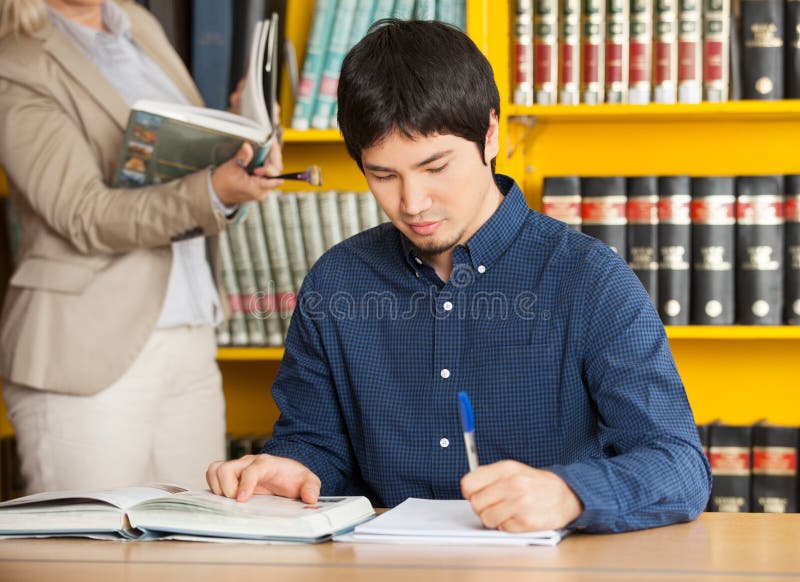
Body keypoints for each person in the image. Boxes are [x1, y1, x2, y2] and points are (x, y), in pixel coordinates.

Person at [206, 19, 711, 534]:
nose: (412, 203)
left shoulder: (589, 279)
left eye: (436, 167)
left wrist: (569, 494)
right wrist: (291, 468)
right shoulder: (337, 282)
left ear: (490, 135)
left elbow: (679, 465)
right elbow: (314, 443)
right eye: (383, 175)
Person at [0, 0, 283, 493]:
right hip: (88, 351)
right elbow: (84, 214)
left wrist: (240, 132)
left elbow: (180, 154)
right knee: (87, 559)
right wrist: (214, 191)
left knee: (198, 552)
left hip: (191, 334)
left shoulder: (139, 25)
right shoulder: (16, 60)